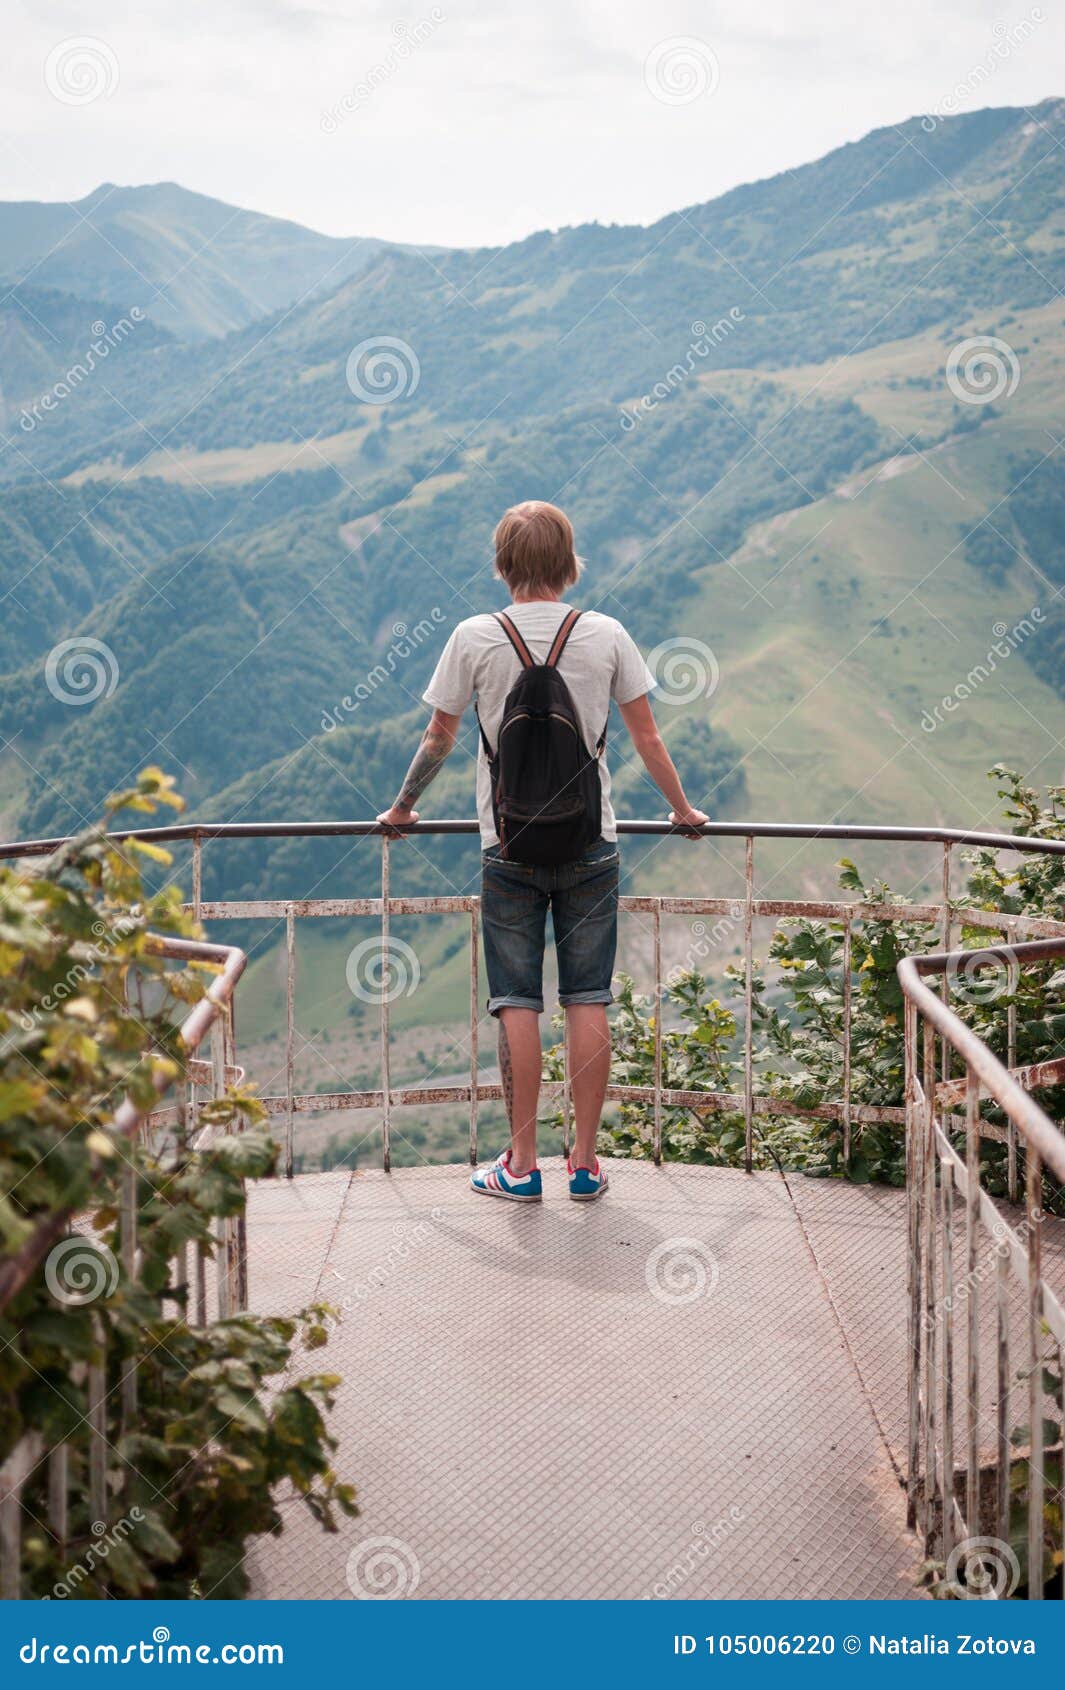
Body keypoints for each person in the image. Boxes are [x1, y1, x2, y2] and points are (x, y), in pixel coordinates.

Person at [376, 500, 708, 1203]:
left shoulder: (474, 636)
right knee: (588, 997)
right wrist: (682, 810)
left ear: (502, 565)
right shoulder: (605, 634)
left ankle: (521, 1166)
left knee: (517, 1002)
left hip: (507, 844)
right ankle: (584, 1164)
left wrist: (404, 807)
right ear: (569, 563)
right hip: (592, 842)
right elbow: (647, 737)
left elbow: (438, 737)